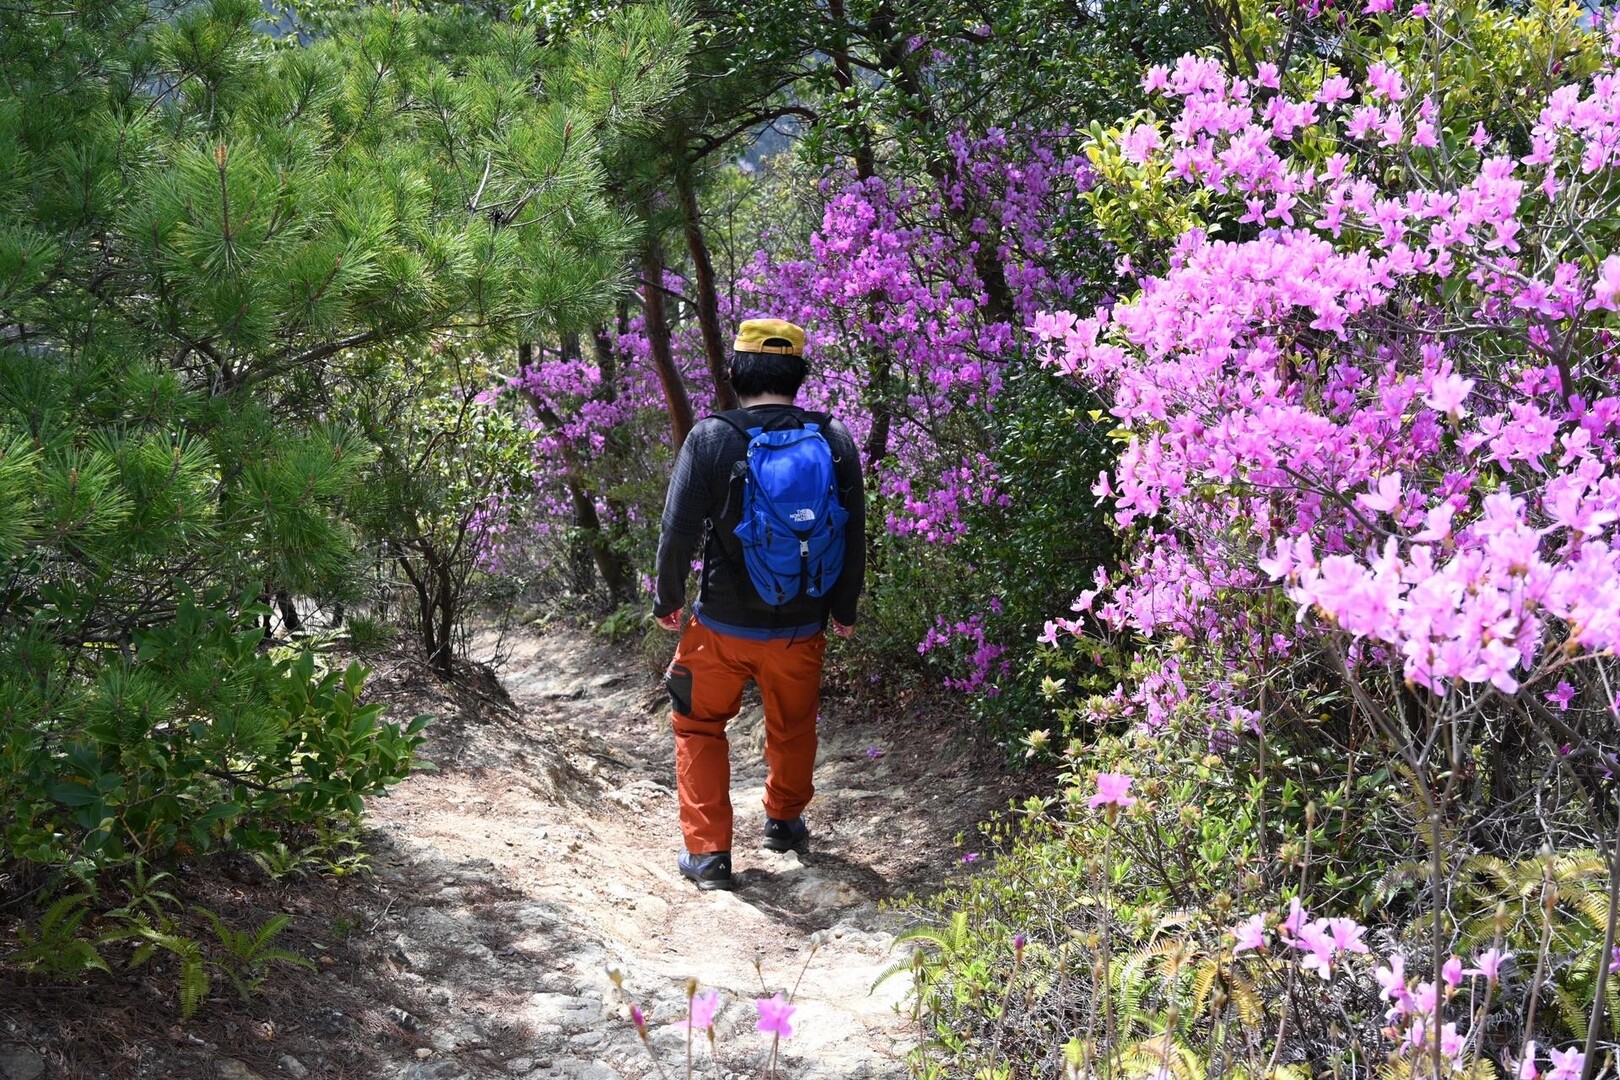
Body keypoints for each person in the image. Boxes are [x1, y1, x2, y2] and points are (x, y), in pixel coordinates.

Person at [652, 318, 865, 891]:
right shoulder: (833, 437)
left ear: (735, 371)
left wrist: (667, 598)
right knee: (793, 723)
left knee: (698, 726)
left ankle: (709, 854)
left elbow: (677, 531)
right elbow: (853, 532)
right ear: (797, 373)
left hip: (721, 625)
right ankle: (784, 821)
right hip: (801, 623)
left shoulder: (712, 437)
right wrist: (844, 608)